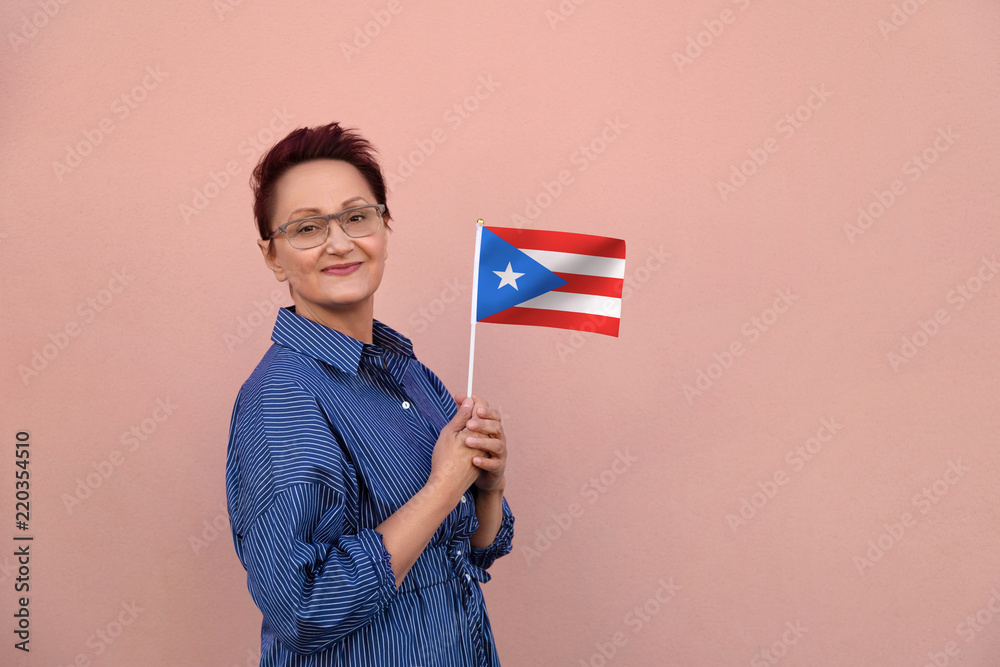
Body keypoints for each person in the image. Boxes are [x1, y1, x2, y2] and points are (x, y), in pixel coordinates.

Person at [225, 123, 514, 666]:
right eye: (307, 228)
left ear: (384, 227)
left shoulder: (409, 375)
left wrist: (487, 490)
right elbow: (304, 609)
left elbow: (472, 553)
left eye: (357, 217)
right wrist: (442, 487)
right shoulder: (282, 399)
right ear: (273, 257)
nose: (339, 243)